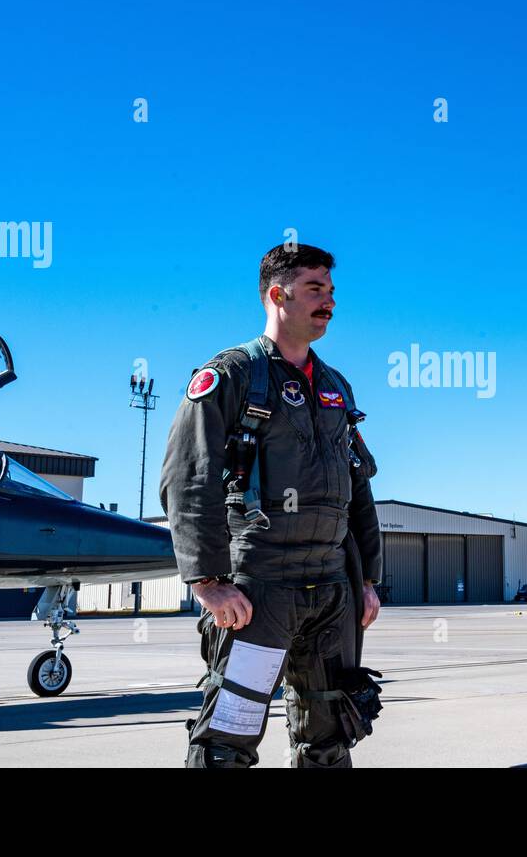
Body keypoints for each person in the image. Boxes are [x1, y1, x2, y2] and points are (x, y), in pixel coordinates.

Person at [160, 243, 384, 768]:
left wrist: (367, 581)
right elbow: (187, 478)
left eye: (331, 291)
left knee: (330, 734)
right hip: (258, 589)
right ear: (278, 295)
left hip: (331, 590)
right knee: (229, 737)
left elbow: (358, 488)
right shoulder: (232, 376)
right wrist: (207, 580)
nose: (329, 301)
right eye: (315, 290)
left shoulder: (335, 389)